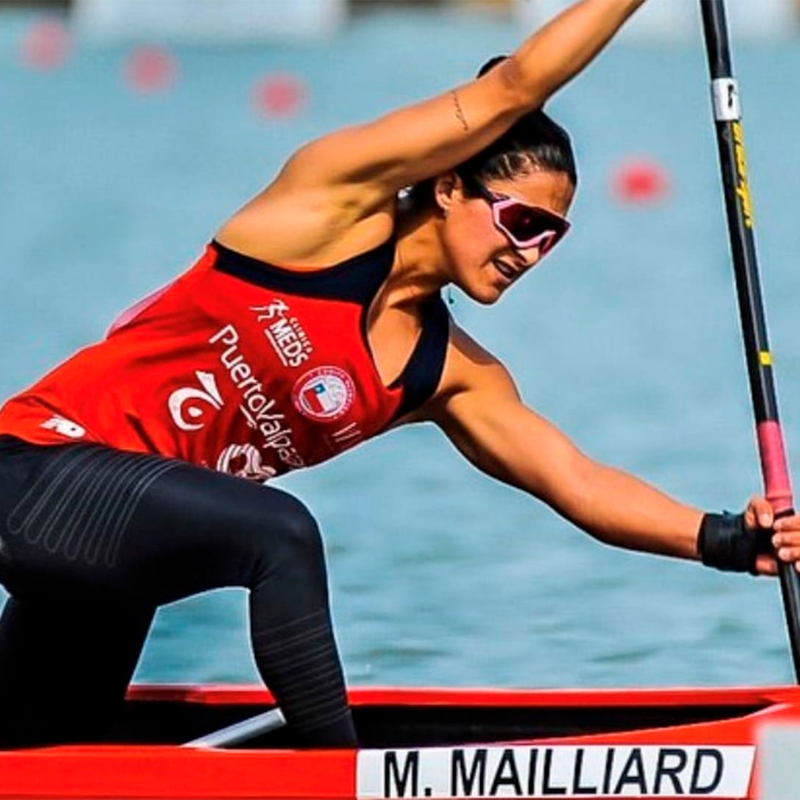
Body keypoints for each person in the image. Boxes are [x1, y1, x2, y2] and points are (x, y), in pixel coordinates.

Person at [0, 0, 798, 749]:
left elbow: (577, 482)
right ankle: (336, 782)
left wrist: (729, 538)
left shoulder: (446, 372)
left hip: (112, 553)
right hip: (33, 468)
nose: (530, 252)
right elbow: (517, 86)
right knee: (281, 533)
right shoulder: (324, 211)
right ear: (449, 185)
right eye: (521, 222)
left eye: (552, 238)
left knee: (42, 753)